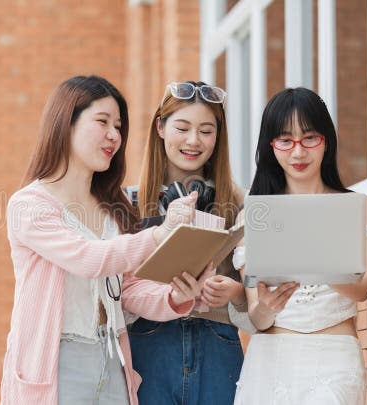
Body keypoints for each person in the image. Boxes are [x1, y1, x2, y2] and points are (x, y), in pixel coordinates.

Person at [0, 75, 212, 405]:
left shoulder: (114, 207)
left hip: (113, 358)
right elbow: (89, 259)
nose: (114, 135)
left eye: (118, 126)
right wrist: (160, 233)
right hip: (58, 362)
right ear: (66, 123)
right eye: (102, 122)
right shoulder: (30, 205)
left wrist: (174, 297)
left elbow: (127, 289)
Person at [233, 87, 367, 404]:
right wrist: (266, 307)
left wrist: (311, 259)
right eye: (285, 141)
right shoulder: (255, 214)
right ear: (271, 146)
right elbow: (258, 318)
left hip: (334, 359)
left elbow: (362, 289)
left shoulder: (358, 206)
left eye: (309, 139)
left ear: (326, 140)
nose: (298, 152)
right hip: (270, 359)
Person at [124, 81, 255, 404]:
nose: (194, 140)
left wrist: (235, 293)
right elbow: (114, 299)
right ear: (160, 127)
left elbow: (256, 308)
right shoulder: (128, 203)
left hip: (218, 348)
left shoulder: (241, 202)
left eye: (206, 131)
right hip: (149, 347)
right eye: (182, 128)